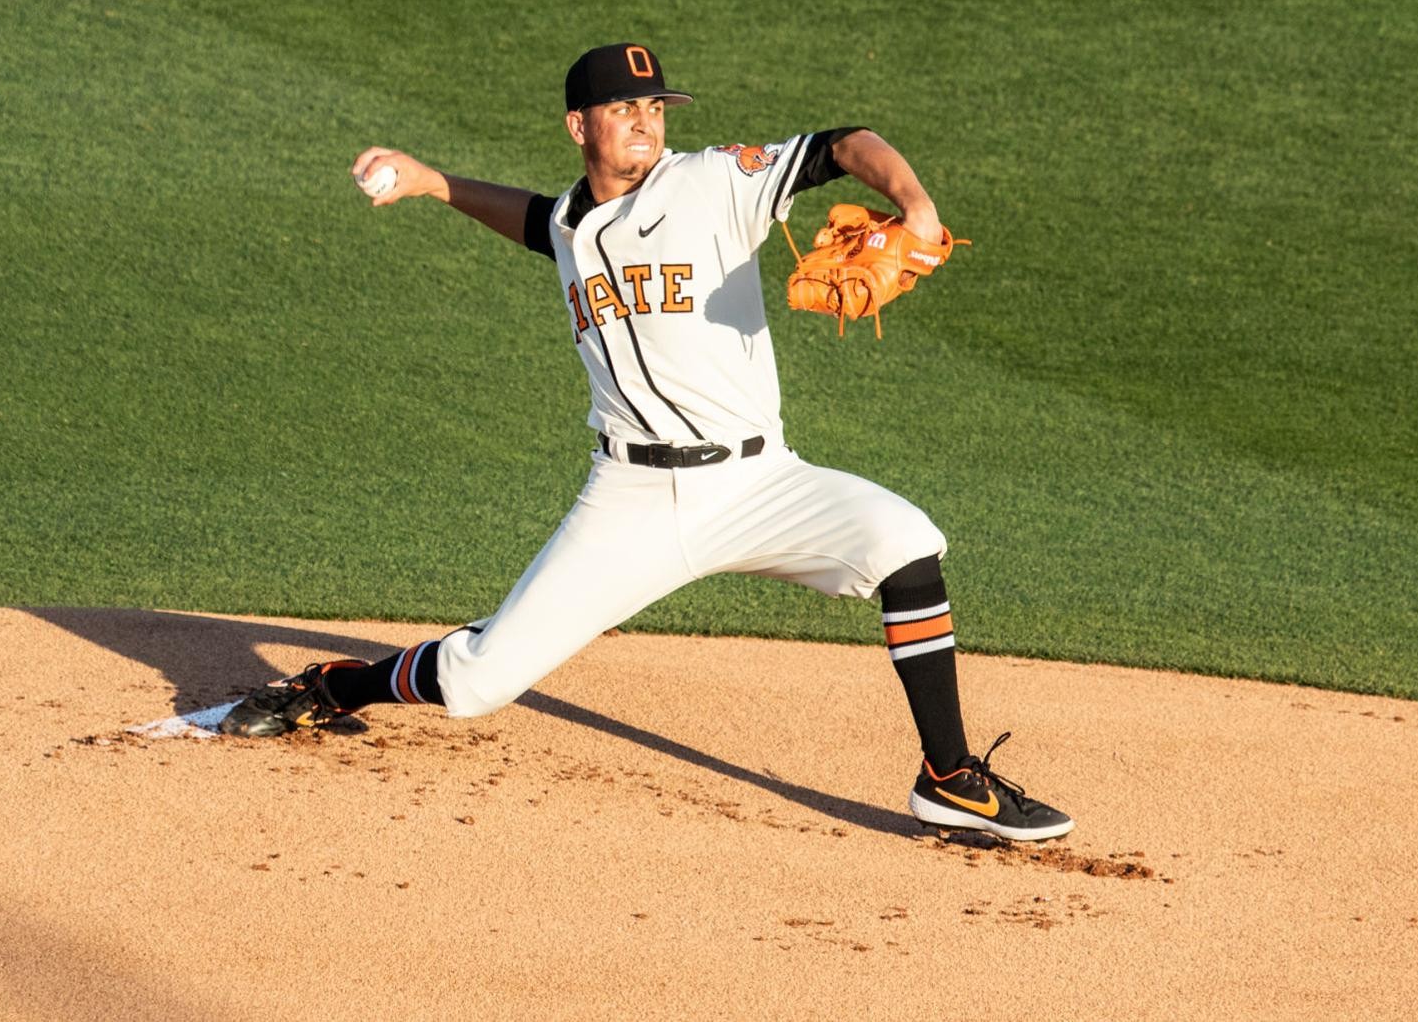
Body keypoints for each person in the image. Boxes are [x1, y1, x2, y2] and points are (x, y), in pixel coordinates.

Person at [221, 43, 1074, 841]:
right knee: (480, 682)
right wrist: (432, 182)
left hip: (761, 482)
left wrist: (915, 206)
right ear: (578, 126)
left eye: (656, 106)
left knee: (906, 542)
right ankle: (334, 685)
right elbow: (532, 220)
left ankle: (949, 774)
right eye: (625, 107)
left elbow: (847, 142)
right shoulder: (569, 222)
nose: (647, 120)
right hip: (630, 500)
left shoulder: (712, 183)